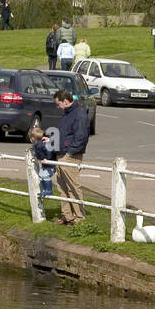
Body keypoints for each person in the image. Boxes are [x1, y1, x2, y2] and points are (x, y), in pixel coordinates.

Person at [53, 89, 89, 224]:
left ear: (65, 101)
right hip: (62, 153)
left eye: (58, 104)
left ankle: (79, 217)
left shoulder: (79, 115)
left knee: (73, 187)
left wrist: (69, 153)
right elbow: (63, 134)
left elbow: (81, 137)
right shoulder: (67, 114)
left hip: (70, 155)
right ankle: (67, 216)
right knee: (62, 187)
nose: (58, 107)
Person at [28, 124, 56, 200]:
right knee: (41, 175)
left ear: (32, 138)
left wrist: (47, 159)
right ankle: (43, 189)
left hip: (50, 164)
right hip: (45, 164)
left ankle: (49, 190)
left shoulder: (42, 144)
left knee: (45, 175)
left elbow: (49, 152)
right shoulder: (37, 144)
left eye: (30, 138)